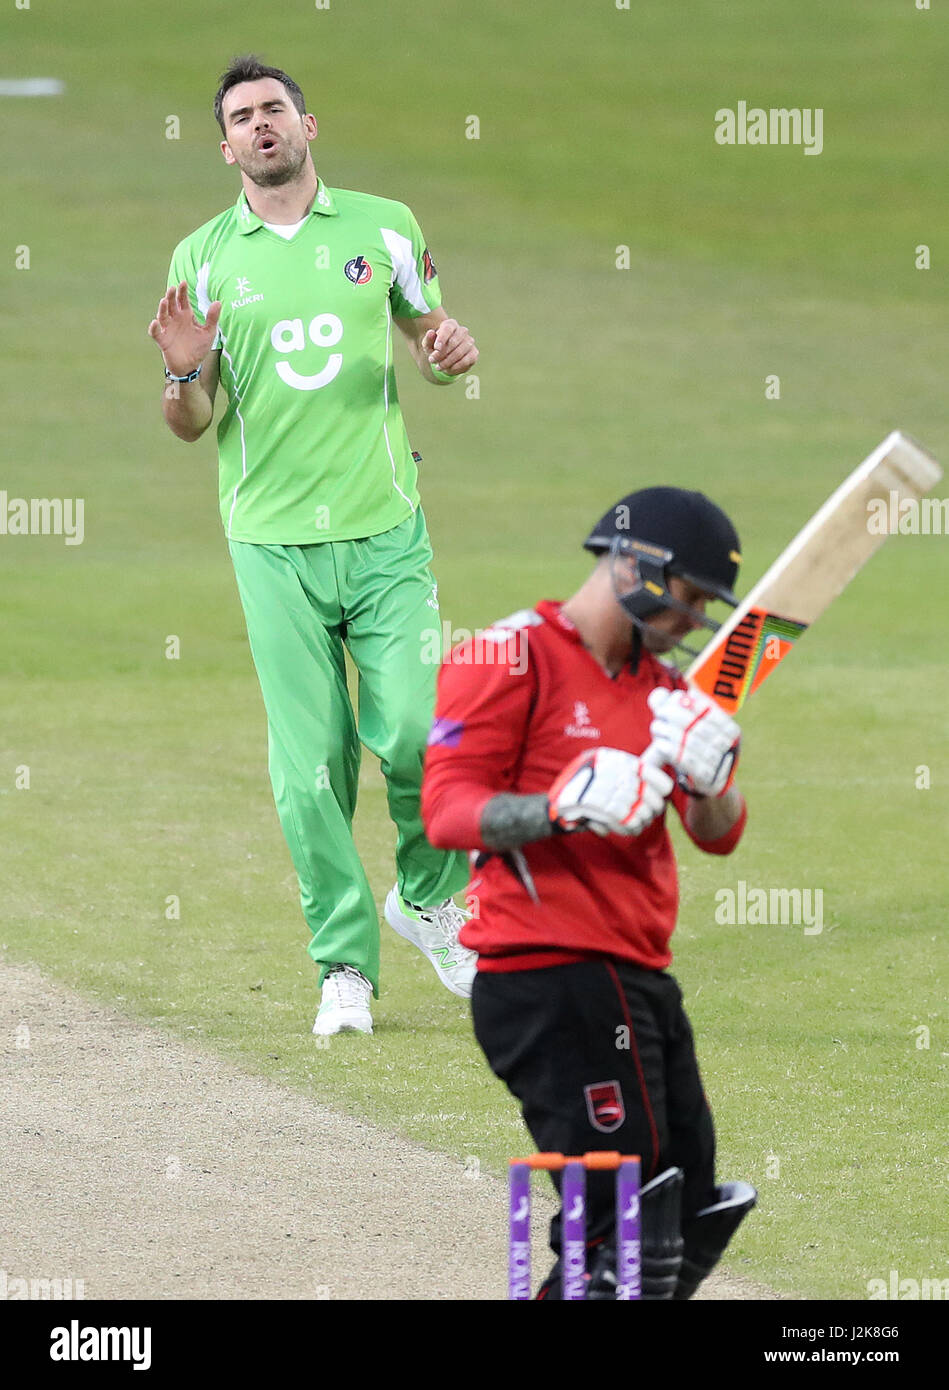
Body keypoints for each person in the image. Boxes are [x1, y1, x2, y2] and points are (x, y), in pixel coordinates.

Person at [147, 55, 479, 1037]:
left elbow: (430, 337)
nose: (260, 126)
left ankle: (427, 902)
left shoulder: (385, 226)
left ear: (307, 125)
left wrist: (451, 356)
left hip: (385, 534)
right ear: (223, 147)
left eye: (273, 111)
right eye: (242, 117)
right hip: (272, 545)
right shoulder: (203, 259)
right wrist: (179, 379)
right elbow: (192, 421)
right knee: (312, 766)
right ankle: (343, 965)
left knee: (421, 734)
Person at [421, 486, 757, 1299]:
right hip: (544, 976)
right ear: (638, 566)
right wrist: (557, 808)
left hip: (639, 975)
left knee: (686, 1214)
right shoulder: (509, 655)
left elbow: (717, 833)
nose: (688, 625)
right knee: (625, 1228)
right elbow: (446, 811)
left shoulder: (667, 694)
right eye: (688, 601)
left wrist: (711, 780)